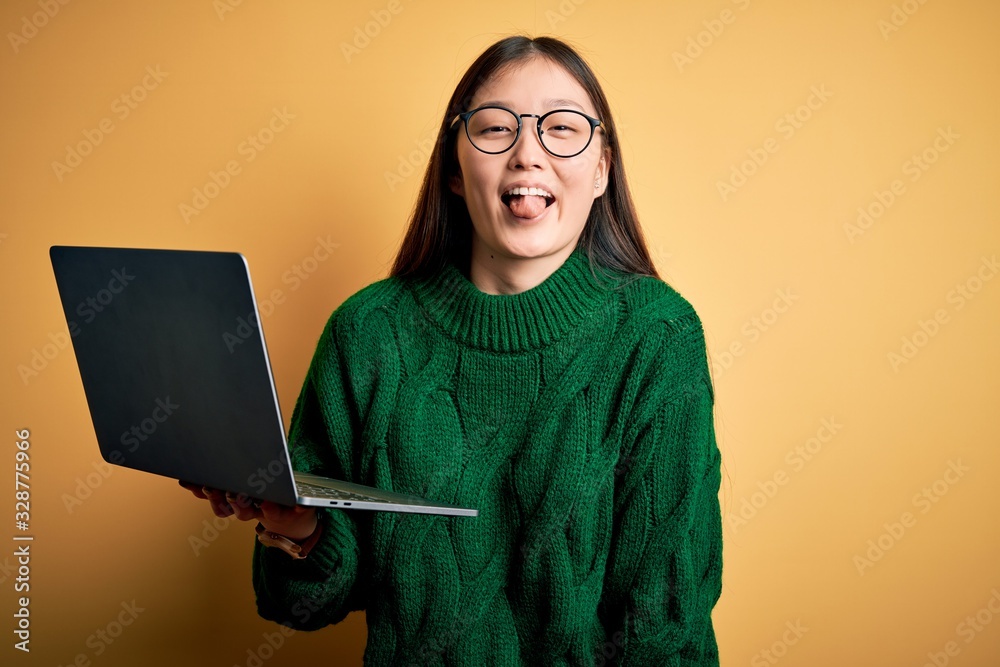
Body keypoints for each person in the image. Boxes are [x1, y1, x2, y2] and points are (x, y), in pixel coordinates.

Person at [184, 34, 723, 666]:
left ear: (602, 168)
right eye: (496, 128)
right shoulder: (367, 333)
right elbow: (300, 607)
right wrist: (288, 521)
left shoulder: (657, 337)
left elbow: (666, 631)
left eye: (563, 129)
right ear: (453, 169)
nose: (529, 154)